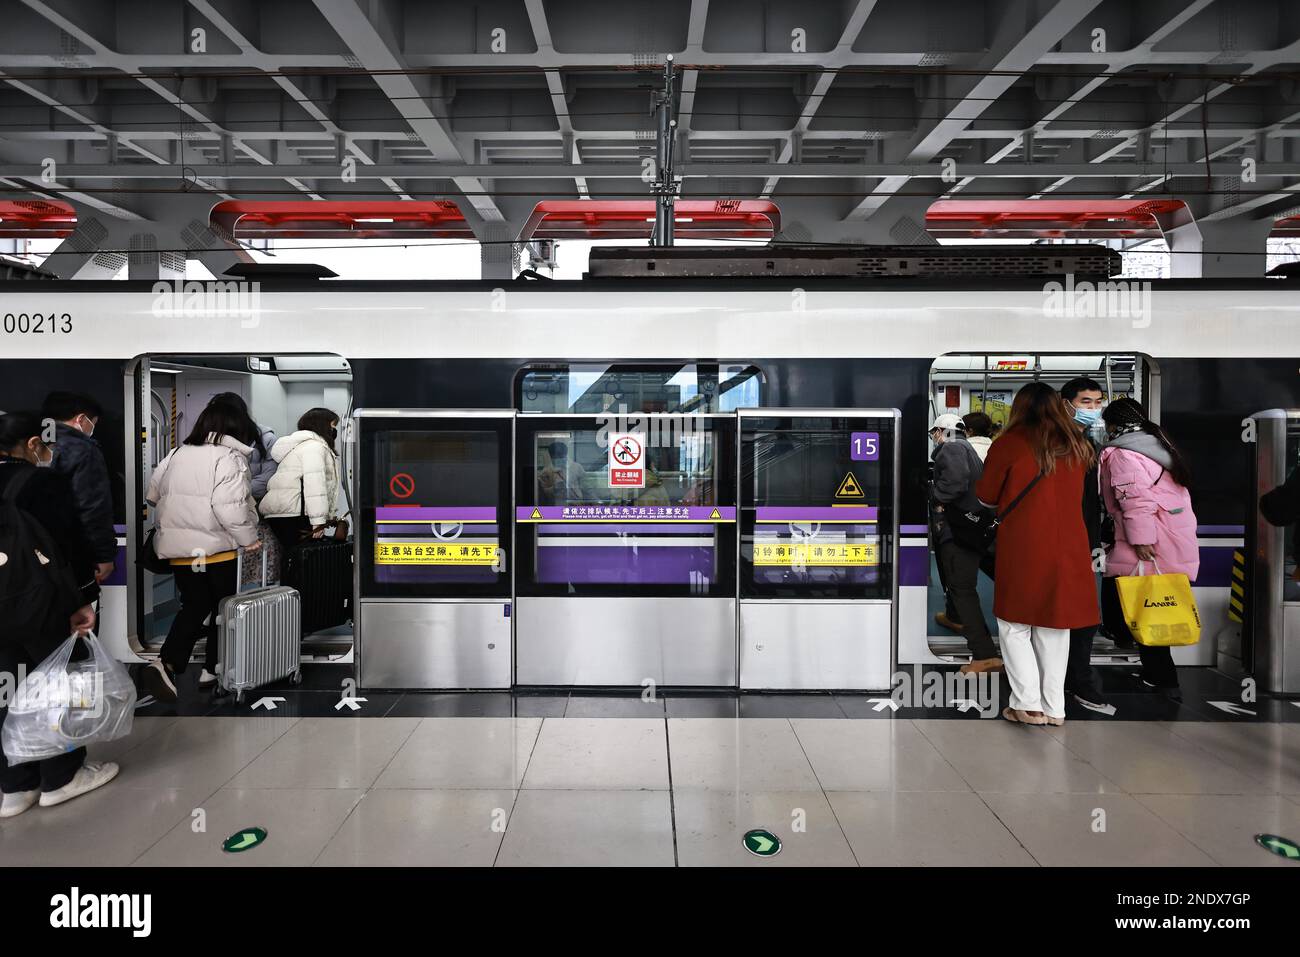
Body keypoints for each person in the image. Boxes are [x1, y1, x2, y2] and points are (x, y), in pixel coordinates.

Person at [0, 412, 119, 817]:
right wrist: (80, 600)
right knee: (62, 682)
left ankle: (16, 784)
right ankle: (62, 775)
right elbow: (62, 549)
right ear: (32, 444)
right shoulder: (42, 484)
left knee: (6, 689)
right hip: (42, 603)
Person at [975, 383, 1099, 726]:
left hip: (1025, 547)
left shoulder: (1009, 444)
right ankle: (1054, 708)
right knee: (1055, 627)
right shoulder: (1078, 446)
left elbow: (986, 497)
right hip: (1070, 547)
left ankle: (1027, 704)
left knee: (1015, 625)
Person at [141, 404, 261, 703]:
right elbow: (228, 506)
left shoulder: (177, 453)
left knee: (194, 605)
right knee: (222, 609)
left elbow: (152, 495)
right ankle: (206, 669)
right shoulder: (230, 457)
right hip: (216, 551)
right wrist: (248, 539)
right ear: (239, 428)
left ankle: (175, 665)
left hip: (181, 551)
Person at [1098, 398, 1198, 699]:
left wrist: (1142, 541)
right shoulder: (1158, 444)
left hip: (1146, 540)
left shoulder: (1124, 454)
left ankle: (1162, 677)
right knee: (1148, 605)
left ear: (1114, 425)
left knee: (1142, 606)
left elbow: (1135, 500)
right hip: (1170, 534)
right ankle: (1156, 672)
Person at [928, 413, 1001, 674]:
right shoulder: (967, 447)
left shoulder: (951, 449)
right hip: (976, 529)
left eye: (934, 432)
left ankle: (984, 653)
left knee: (961, 589)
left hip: (958, 533)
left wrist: (935, 495)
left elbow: (955, 484)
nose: (934, 438)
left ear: (942, 431)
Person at [1060, 377, 1110, 711]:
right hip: (1064, 542)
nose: (1093, 409)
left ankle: (1073, 677)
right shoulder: (1061, 447)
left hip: (1086, 542)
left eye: (1097, 402)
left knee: (1085, 614)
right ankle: (1076, 679)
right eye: (1085, 402)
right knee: (1076, 614)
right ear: (1066, 404)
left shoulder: (1088, 446)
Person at [41, 391, 117, 584]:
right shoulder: (83, 450)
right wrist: (104, 554)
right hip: (72, 549)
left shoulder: (31, 443)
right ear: (81, 419)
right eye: (93, 423)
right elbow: (92, 506)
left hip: (32, 548)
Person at [259, 408, 344, 550]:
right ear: (322, 425)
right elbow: (314, 485)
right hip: (295, 512)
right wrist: (317, 521)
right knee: (305, 561)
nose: (334, 431)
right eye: (333, 426)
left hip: (285, 512)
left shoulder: (303, 446)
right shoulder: (314, 447)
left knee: (295, 558)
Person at [210, 393, 278, 501]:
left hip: (256, 503)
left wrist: (234, 493)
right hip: (219, 504)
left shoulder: (266, 439)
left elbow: (269, 478)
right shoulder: (211, 439)